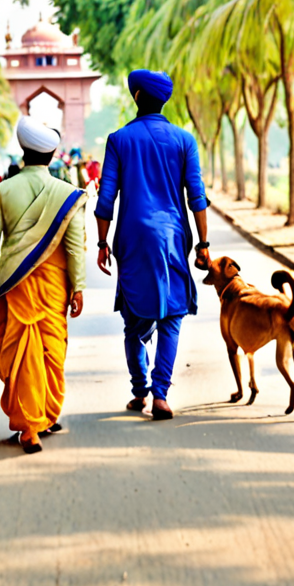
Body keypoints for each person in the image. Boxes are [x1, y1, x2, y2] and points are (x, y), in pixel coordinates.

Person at [94, 69, 209, 420]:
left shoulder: (118, 140)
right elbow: (197, 196)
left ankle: (140, 390)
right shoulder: (184, 140)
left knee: (134, 323)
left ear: (138, 97)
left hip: (132, 240)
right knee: (171, 318)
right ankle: (161, 395)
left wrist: (102, 242)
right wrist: (204, 243)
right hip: (173, 237)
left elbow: (106, 199)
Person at [0, 116, 86, 454]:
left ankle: (29, 425)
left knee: (20, 353)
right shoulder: (67, 194)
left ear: (22, 152)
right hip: (54, 288)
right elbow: (75, 246)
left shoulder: (2, 191)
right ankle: (42, 418)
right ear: (52, 156)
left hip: (14, 284)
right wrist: (78, 287)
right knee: (50, 353)